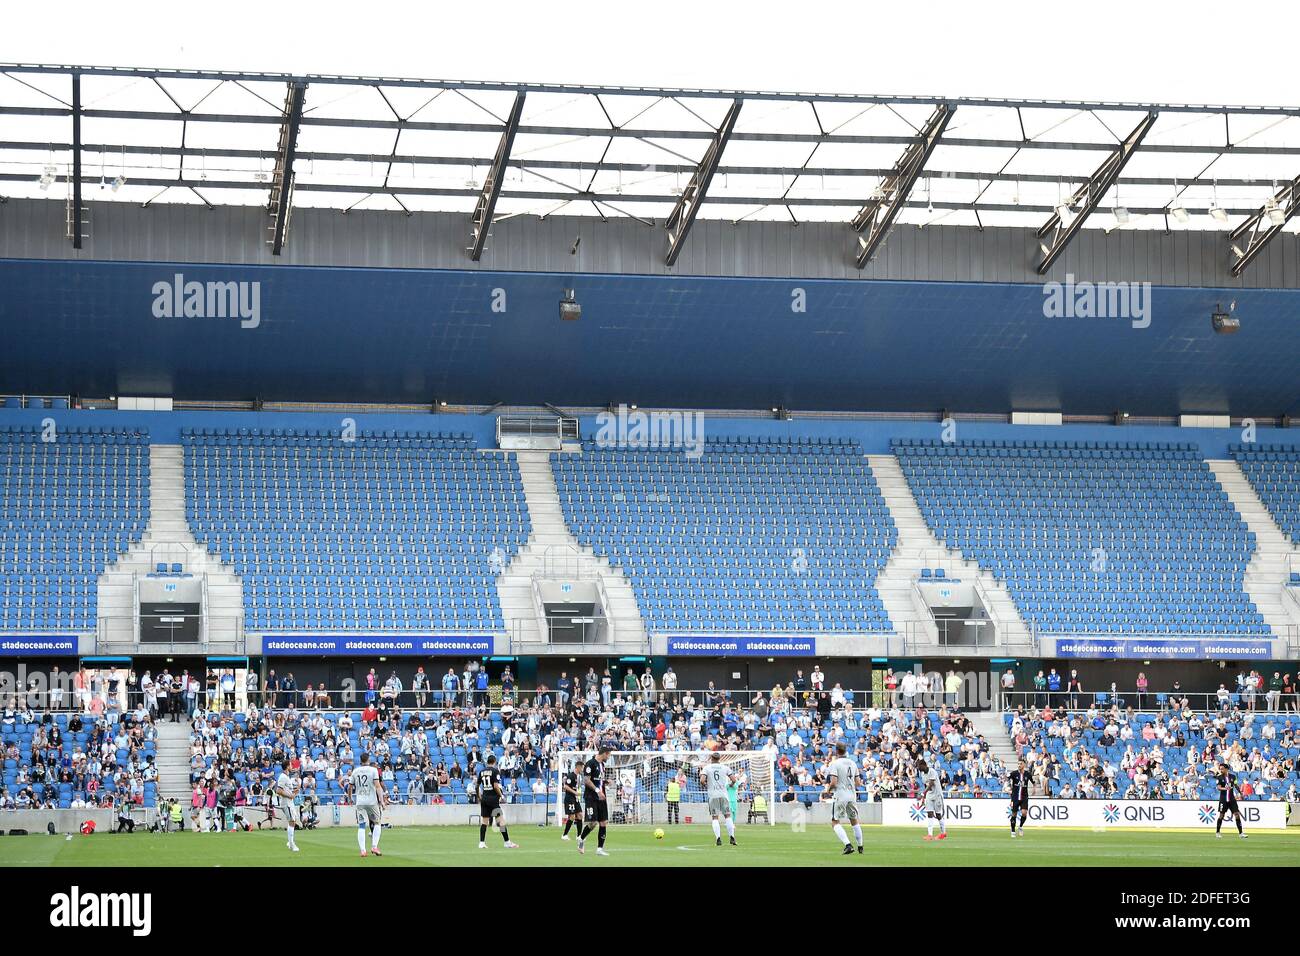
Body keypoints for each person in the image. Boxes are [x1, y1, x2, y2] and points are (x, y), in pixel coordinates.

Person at [826, 742, 863, 856]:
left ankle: (848, 845)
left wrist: (828, 790)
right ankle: (860, 846)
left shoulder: (835, 763)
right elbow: (858, 783)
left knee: (835, 822)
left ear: (836, 751)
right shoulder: (853, 763)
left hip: (840, 795)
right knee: (854, 820)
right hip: (852, 795)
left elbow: (833, 782)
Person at [476, 754, 518, 849]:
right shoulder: (495, 771)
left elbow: (477, 786)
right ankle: (507, 842)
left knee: (484, 821)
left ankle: (482, 842)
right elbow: (495, 786)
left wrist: (479, 797)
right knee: (501, 821)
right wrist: (501, 795)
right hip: (493, 799)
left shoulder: (482, 772)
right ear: (494, 762)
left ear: (487, 762)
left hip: (485, 799)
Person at [351, 751, 387, 857]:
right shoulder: (373, 770)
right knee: (377, 823)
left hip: (360, 802)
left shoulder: (355, 771)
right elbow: (377, 786)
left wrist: (349, 798)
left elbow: (350, 786)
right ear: (368, 760)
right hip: (371, 802)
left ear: (360, 760)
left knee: (361, 826)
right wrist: (382, 801)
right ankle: (374, 846)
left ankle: (363, 850)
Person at [578, 746, 611, 857]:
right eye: (609, 755)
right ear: (604, 754)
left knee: (603, 822)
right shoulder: (590, 763)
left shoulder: (602, 765)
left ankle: (599, 849)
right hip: (591, 797)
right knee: (593, 823)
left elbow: (598, 780)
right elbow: (586, 780)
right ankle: (581, 839)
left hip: (601, 797)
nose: (609, 757)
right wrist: (597, 790)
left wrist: (605, 782)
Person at [701, 752, 738, 847]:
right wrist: (730, 785)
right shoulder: (725, 768)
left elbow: (702, 780)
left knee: (715, 817)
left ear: (711, 759)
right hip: (724, 795)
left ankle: (718, 838)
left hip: (713, 795)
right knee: (728, 816)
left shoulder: (707, 768)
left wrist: (706, 785)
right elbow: (734, 780)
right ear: (719, 759)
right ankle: (732, 837)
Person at [1212, 762, 1247, 840]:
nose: (1221, 770)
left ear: (1226, 769)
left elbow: (1236, 785)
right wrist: (1225, 788)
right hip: (1223, 799)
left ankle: (1241, 833)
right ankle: (1217, 832)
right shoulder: (1219, 777)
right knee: (1221, 815)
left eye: (1222, 769)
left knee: (1237, 814)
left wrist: (1241, 793)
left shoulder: (1233, 777)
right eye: (1220, 769)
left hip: (1232, 799)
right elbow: (1218, 787)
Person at [917, 758, 947, 841]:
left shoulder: (932, 771)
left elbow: (931, 784)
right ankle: (930, 835)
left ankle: (943, 833)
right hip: (929, 795)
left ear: (924, 765)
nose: (919, 768)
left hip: (937, 794)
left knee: (938, 815)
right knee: (929, 814)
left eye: (920, 766)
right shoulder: (922, 775)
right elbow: (925, 785)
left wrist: (923, 794)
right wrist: (924, 797)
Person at [275, 762, 302, 852]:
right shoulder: (283, 777)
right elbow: (278, 790)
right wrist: (290, 795)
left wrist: (294, 791)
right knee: (291, 821)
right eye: (290, 765)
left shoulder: (286, 777)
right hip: (286, 802)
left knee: (293, 821)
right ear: (287, 767)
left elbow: (286, 790)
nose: (292, 767)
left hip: (290, 802)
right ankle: (291, 844)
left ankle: (290, 841)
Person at [1006, 757, 1033, 838]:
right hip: (1015, 797)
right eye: (1018, 764)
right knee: (1014, 814)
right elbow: (1008, 779)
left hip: (1024, 797)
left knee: (1024, 813)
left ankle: (1020, 826)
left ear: (1024, 765)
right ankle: (1013, 830)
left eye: (1020, 764)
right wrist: (1007, 787)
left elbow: (1033, 782)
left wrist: (1034, 789)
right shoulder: (1014, 773)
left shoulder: (1027, 774)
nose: (1019, 765)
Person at [560, 762, 583, 840]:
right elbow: (565, 786)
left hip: (575, 799)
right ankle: (564, 835)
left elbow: (577, 787)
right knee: (572, 816)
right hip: (570, 798)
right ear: (578, 767)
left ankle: (579, 836)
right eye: (582, 768)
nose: (582, 769)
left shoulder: (579, 776)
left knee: (580, 815)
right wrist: (575, 792)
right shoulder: (571, 775)